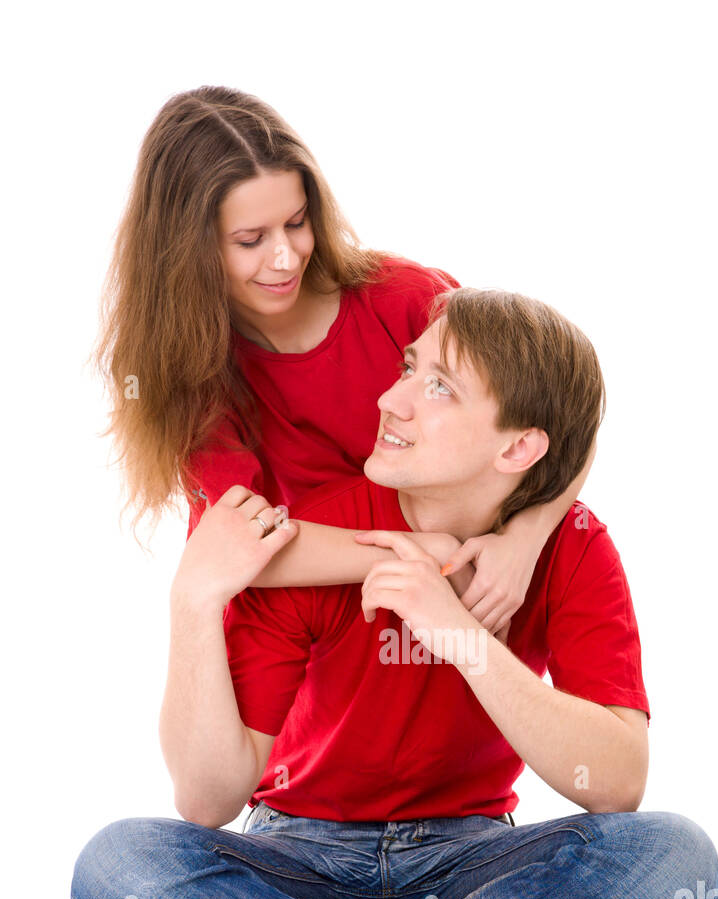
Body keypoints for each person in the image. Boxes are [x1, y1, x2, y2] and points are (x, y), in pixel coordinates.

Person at [71, 286, 718, 899]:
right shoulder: (321, 535)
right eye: (410, 367)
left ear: (519, 448)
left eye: (438, 387)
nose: (390, 398)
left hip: (468, 859)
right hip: (300, 855)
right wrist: (192, 601)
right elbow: (206, 801)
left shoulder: (574, 549)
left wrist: (460, 636)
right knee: (118, 869)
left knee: (675, 860)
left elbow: (618, 781)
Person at [98, 84, 579, 635]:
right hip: (299, 638)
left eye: (296, 223)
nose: (284, 258)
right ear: (187, 247)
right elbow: (241, 549)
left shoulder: (404, 298)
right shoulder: (188, 376)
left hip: (447, 610)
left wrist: (525, 540)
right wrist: (423, 553)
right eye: (251, 239)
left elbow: (562, 421)